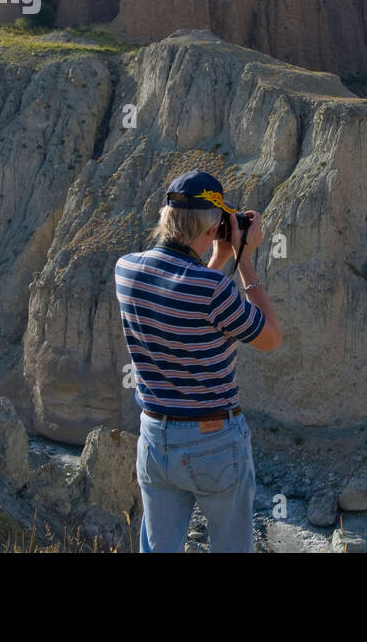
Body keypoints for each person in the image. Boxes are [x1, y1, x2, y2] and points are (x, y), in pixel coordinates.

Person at [113, 170, 281, 552]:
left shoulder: (126, 270)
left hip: (156, 439)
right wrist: (243, 262)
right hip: (213, 442)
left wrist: (220, 255)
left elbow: (183, 298)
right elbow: (270, 337)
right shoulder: (216, 289)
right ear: (212, 228)